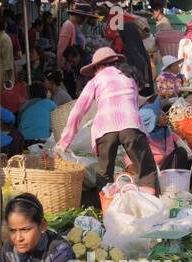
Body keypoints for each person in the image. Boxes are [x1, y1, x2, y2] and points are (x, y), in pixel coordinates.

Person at [58, 47, 158, 193]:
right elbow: (133, 103)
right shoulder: (129, 78)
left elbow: (77, 111)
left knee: (104, 173)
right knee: (146, 170)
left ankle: (105, 206)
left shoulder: (95, 81)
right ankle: (152, 203)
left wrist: (64, 142)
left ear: (97, 67)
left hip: (105, 128)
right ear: (116, 63)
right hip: (131, 124)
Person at [132, 107, 192, 185]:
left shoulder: (167, 131)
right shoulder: (143, 137)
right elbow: (131, 156)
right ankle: (174, 186)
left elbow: (186, 150)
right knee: (180, 152)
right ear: (153, 120)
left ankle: (185, 186)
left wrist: (190, 157)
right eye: (162, 115)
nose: (166, 116)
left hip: (174, 166)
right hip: (159, 172)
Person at [58, 2, 94, 69]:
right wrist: (62, 68)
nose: (86, 20)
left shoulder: (76, 26)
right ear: (80, 16)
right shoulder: (68, 26)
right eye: (86, 17)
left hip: (76, 65)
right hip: (69, 66)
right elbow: (61, 50)